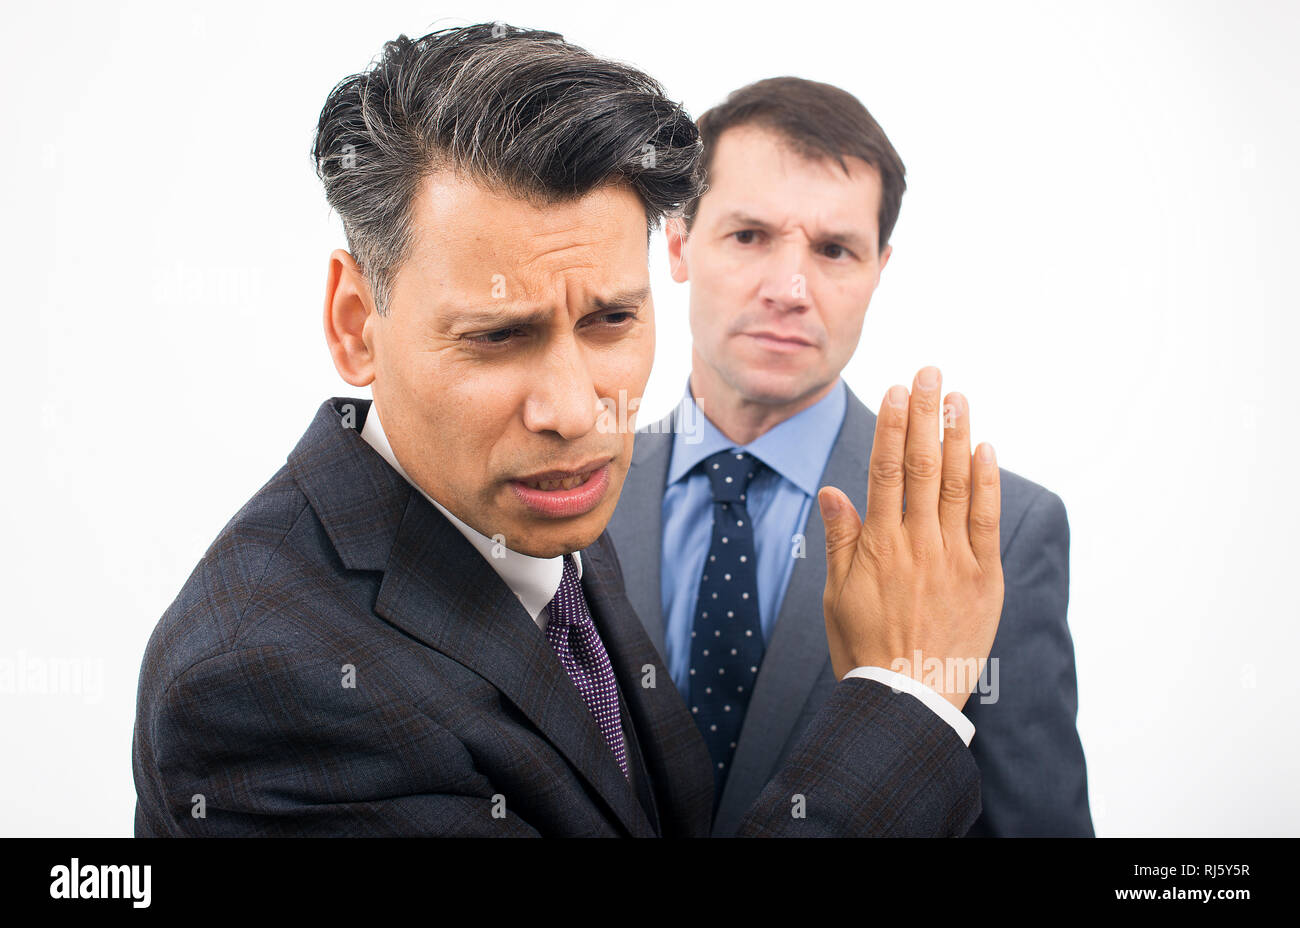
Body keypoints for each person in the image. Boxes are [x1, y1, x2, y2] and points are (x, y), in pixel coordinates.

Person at [132, 23, 1004, 837]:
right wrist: (906, 697)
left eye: (611, 320)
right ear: (357, 323)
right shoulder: (263, 690)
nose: (578, 411)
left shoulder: (534, 513)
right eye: (499, 336)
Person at [608, 77, 1093, 837]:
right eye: (749, 236)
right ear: (677, 243)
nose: (791, 288)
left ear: (878, 272)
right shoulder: (566, 491)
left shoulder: (999, 534)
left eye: (835, 250)